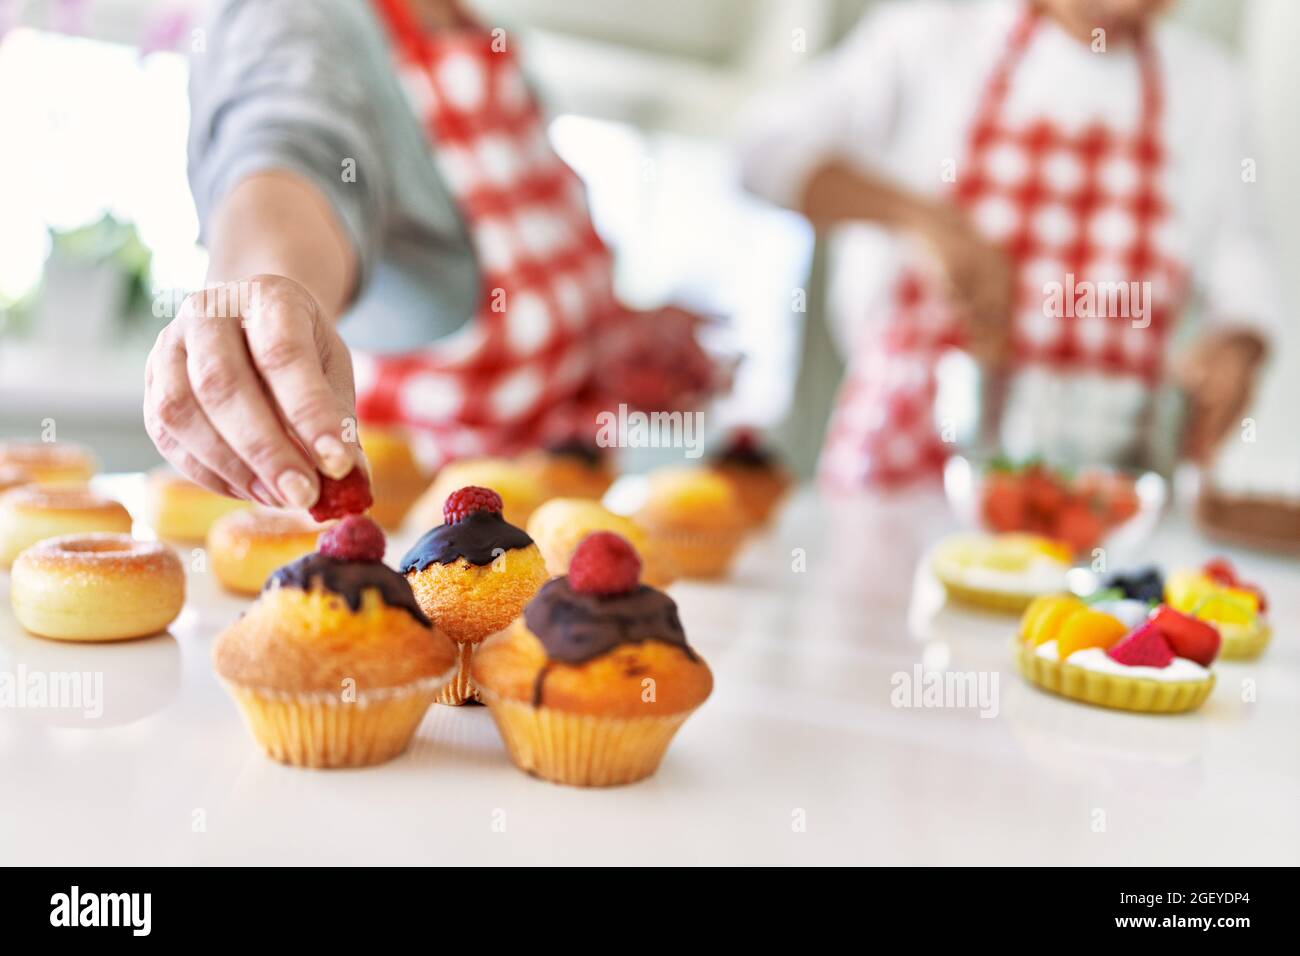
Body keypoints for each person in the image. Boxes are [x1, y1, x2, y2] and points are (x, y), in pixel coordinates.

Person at [144, 0, 718, 508]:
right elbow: (290, 150)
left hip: (558, 533)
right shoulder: (300, 16)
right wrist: (267, 295)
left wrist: (623, 339)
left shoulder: (489, 41)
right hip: (415, 552)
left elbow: (537, 298)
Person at [739, 0, 1279, 488]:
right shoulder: (928, 41)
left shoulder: (1210, 87)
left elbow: (1243, 256)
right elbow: (760, 151)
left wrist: (1239, 345)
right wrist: (921, 219)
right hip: (901, 468)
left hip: (1096, 493)